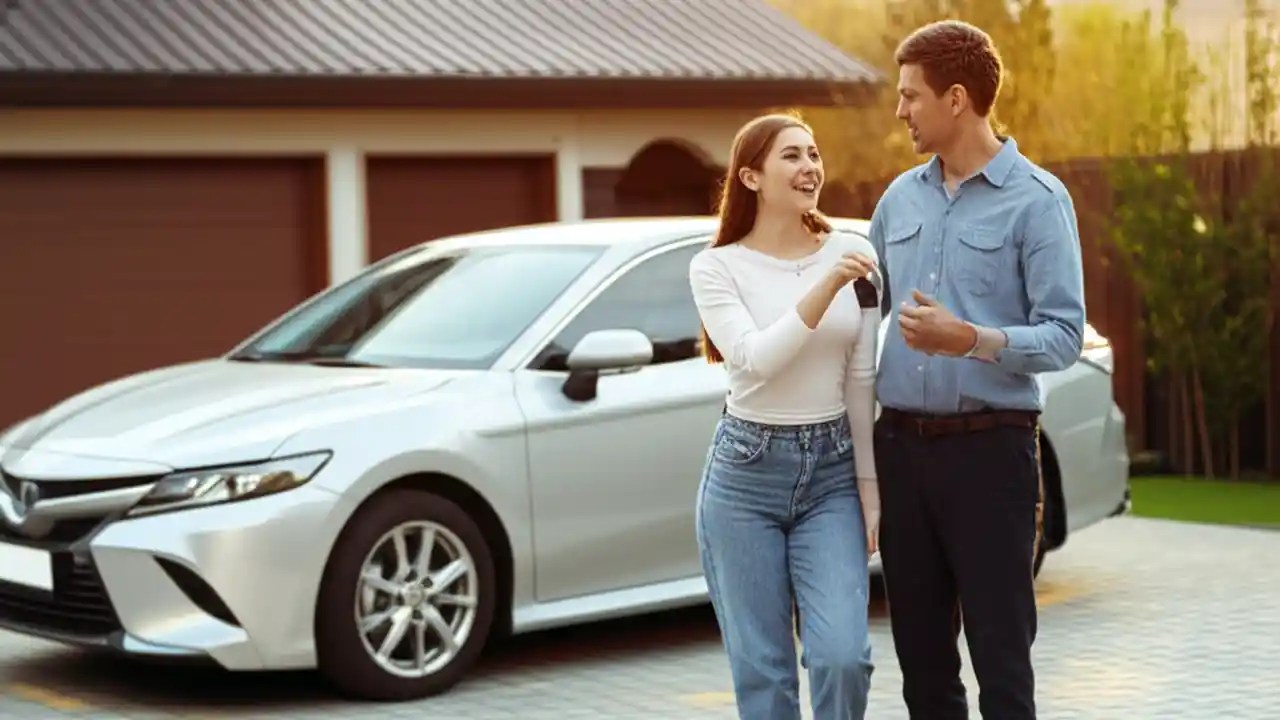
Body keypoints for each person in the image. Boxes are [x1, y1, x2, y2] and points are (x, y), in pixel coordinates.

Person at [867, 20, 1087, 720]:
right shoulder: (897, 200)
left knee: (1000, 659)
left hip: (992, 457)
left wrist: (969, 340)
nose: (900, 110)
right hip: (900, 452)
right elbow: (859, 318)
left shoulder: (1039, 201)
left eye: (910, 96)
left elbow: (1063, 336)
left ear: (955, 98)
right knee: (923, 668)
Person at [688, 112, 882, 720]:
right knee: (764, 674)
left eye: (814, 154)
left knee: (842, 656)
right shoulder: (717, 267)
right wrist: (824, 286)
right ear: (751, 176)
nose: (810, 168)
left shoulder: (854, 249)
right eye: (792, 156)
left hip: (831, 474)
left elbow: (861, 375)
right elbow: (753, 360)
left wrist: (869, 487)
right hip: (745, 476)